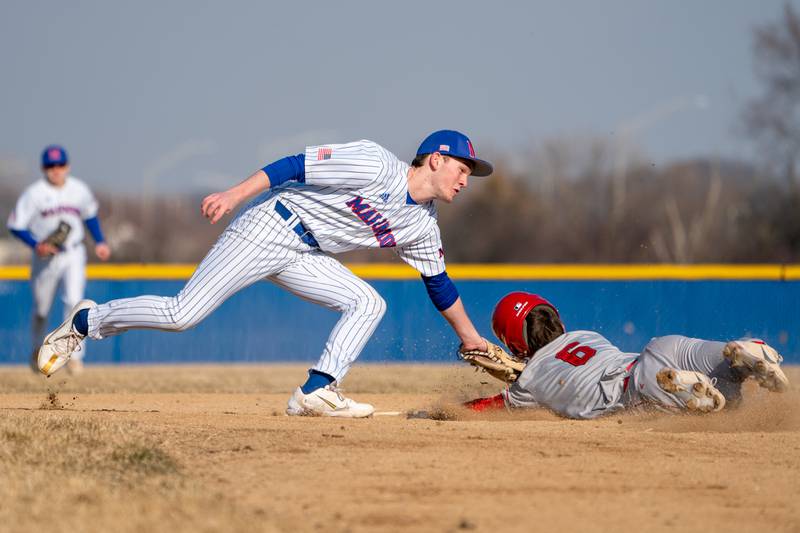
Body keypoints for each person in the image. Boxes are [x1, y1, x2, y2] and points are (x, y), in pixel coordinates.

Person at [37, 130, 495, 417]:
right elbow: (296, 165)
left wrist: (471, 337)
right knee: (182, 314)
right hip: (270, 224)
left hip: (305, 253)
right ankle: (84, 323)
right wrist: (236, 194)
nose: (464, 179)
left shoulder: (421, 224)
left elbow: (438, 283)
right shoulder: (375, 163)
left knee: (368, 301)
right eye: (461, 168)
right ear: (435, 159)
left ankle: (317, 391)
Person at [463, 292, 789, 419]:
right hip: (656, 350)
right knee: (727, 382)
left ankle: (697, 390)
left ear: (515, 346)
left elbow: (485, 407)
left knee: (715, 407)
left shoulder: (528, 384)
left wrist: (447, 411)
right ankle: (746, 351)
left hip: (637, 388)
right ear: (557, 319)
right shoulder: (587, 336)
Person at [7, 145, 111, 374]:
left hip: (73, 252)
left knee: (74, 300)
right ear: (43, 168)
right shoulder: (34, 193)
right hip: (46, 256)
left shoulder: (79, 189)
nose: (56, 170)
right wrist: (36, 245)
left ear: (68, 165)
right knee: (41, 310)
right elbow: (15, 225)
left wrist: (100, 242)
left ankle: (74, 356)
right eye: (50, 166)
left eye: (60, 165)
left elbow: (90, 216)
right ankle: (37, 351)